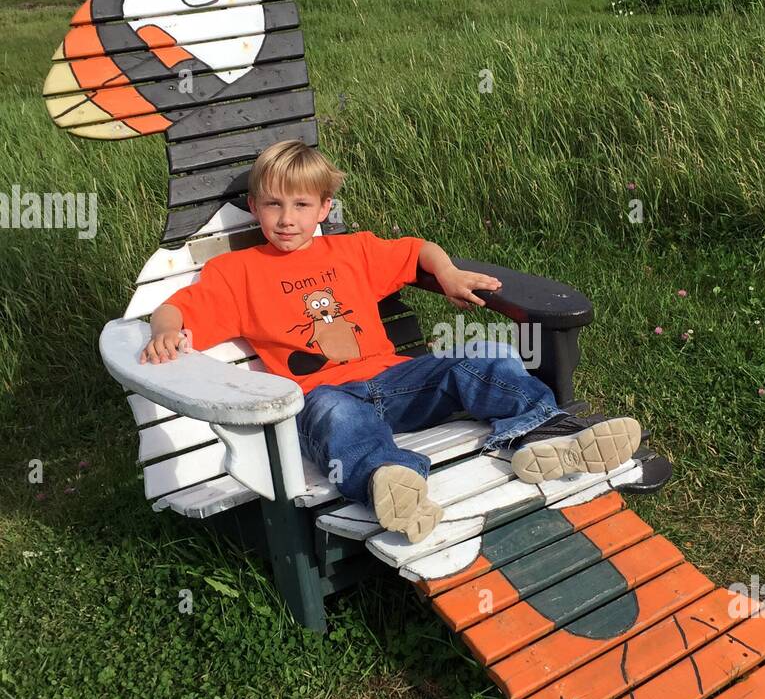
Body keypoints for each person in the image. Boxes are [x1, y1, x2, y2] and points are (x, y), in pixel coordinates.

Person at [141, 140, 641, 542]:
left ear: (324, 208)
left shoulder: (352, 250)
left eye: (301, 205)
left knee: (481, 353)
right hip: (321, 398)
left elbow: (418, 248)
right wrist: (166, 330)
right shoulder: (237, 272)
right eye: (273, 204)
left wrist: (446, 274)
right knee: (341, 417)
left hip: (396, 382)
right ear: (253, 207)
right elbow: (178, 308)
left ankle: (542, 434)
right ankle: (390, 481)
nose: (286, 218)